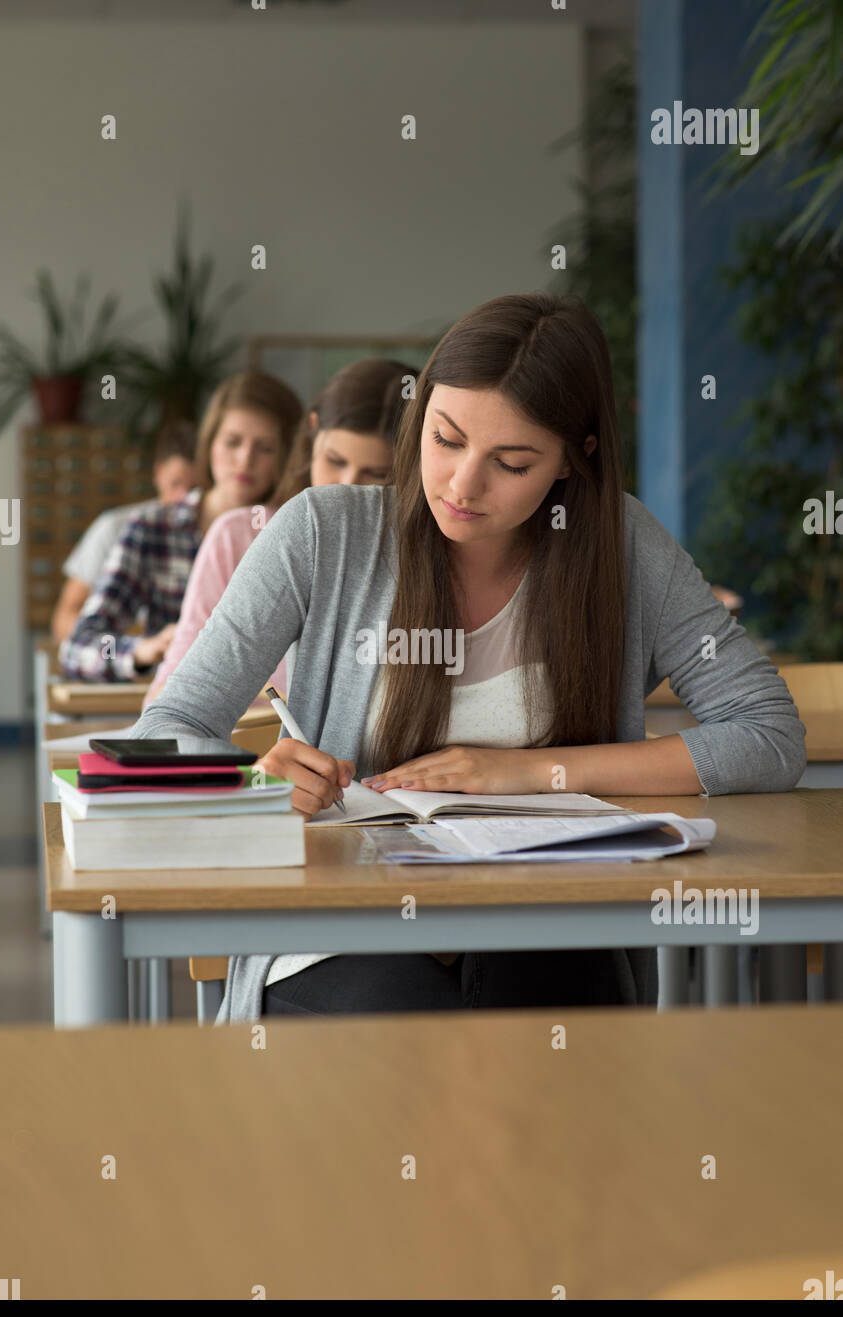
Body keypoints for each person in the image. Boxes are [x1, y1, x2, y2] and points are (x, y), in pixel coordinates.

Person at [129, 293, 806, 1020]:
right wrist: (249, 788)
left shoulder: (621, 545)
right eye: (444, 439)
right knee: (406, 1045)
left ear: (574, 462)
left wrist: (534, 774)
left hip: (555, 925)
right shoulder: (322, 534)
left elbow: (767, 736)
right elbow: (164, 727)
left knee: (541, 1061)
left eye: (510, 462)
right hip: (343, 929)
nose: (460, 484)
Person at [143, 357, 417, 704]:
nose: (347, 488)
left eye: (376, 473)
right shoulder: (238, 534)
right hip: (250, 752)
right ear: (312, 433)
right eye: (334, 461)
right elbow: (167, 698)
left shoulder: (426, 556)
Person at [58, 371, 302, 681]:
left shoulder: (295, 534)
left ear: (288, 455)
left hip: (273, 717)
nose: (244, 460)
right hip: (177, 707)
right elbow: (77, 646)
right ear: (209, 443)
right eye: (232, 442)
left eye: (265, 448)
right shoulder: (152, 529)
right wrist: (143, 651)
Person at [50, 421, 198, 643]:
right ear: (158, 473)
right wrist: (126, 645)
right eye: (175, 484)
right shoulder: (114, 527)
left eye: (195, 490)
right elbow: (63, 620)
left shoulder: (214, 534)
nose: (183, 500)